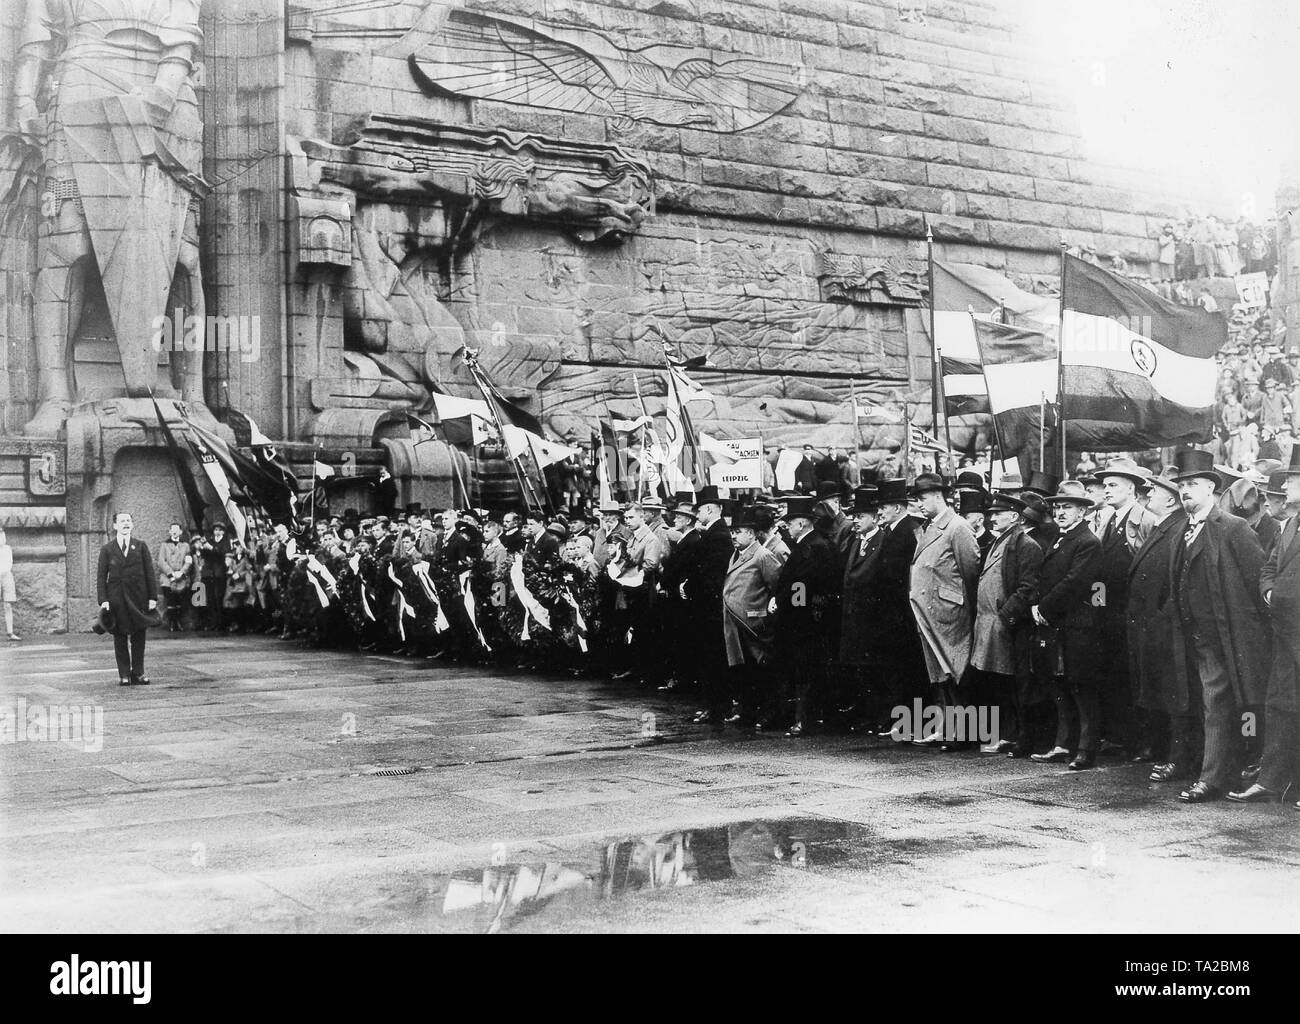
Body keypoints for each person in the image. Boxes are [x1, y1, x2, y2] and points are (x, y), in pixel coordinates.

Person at [1168, 449, 1271, 803]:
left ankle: (1212, 779)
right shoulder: (1182, 529)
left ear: (1211, 489)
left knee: (1225, 705)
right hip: (1193, 637)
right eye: (1182, 485)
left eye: (1193, 484)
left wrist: (1253, 637)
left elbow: (1258, 584)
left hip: (1229, 637)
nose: (1185, 491)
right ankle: (1222, 771)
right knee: (1212, 705)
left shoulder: (1233, 528)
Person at [1232, 448, 1300, 808]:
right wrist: (1270, 590)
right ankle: (1270, 781)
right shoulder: (1289, 525)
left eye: (1291, 480)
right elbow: (1269, 568)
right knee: (1278, 705)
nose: (1286, 487)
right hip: (1284, 632)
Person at [1029, 481, 1104, 770]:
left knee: (1082, 687)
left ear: (1083, 511)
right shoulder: (1060, 539)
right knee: (1061, 684)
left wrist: (1044, 607)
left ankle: (1085, 749)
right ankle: (1063, 744)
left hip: (1078, 624)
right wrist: (1039, 606)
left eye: (1067, 507)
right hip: (1057, 623)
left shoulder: (1087, 542)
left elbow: (1075, 582)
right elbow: (1045, 577)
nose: (1060, 512)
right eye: (1058, 507)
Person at [908, 473, 980, 747]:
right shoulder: (929, 527)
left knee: (955, 670)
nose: (920, 504)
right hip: (929, 613)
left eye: (922, 498)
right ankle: (947, 728)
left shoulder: (957, 527)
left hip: (949, 614)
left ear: (939, 495)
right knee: (939, 674)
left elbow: (970, 571)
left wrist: (957, 603)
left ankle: (963, 732)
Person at [968, 491, 1042, 756]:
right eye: (991, 514)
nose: (992, 518)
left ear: (1014, 516)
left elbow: (1027, 588)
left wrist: (1006, 616)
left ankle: (1016, 736)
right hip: (990, 623)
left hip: (1006, 625)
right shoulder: (1002, 541)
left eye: (997, 514)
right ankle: (1006, 734)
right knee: (998, 682)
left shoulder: (1026, 545)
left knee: (1012, 683)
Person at [1128, 471, 1189, 780]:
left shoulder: (1177, 527)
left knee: (1174, 695)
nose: (1148, 494)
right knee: (1162, 694)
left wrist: (1161, 619)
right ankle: (1166, 753)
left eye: (1154, 490)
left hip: (1163, 628)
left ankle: (1176, 759)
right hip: (1151, 627)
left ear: (1170, 497)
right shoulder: (1163, 527)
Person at [772, 495, 835, 736]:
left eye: (791, 522)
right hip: (806, 617)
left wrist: (785, 604)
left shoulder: (813, 546)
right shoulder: (809, 544)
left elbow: (803, 584)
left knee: (806, 670)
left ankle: (804, 719)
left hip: (806, 619)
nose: (787, 526)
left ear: (803, 523)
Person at [721, 506, 782, 730]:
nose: (733, 535)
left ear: (752, 533)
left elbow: (777, 585)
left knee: (760, 672)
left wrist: (767, 613)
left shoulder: (763, 556)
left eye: (738, 531)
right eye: (732, 531)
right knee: (743, 671)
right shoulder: (737, 554)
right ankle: (747, 711)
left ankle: (767, 714)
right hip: (735, 623)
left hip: (753, 624)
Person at [96, 511, 158, 686]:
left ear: (132, 525)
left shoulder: (140, 546)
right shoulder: (107, 549)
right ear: (115, 525)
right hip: (117, 599)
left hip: (138, 597)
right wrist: (104, 599)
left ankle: (138, 673)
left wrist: (152, 597)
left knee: (139, 635)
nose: (126, 524)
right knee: (120, 635)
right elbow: (101, 576)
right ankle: (124, 674)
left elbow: (149, 573)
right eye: (122, 521)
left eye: (128, 521)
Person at [156, 522, 193, 632]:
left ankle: (179, 622)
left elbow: (188, 561)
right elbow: (161, 561)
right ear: (170, 531)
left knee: (180, 602)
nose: (175, 531)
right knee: (171, 601)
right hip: (168, 579)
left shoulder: (185, 545)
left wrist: (182, 572)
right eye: (173, 529)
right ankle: (172, 622)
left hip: (181, 578)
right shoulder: (164, 545)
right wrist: (171, 573)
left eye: (177, 529)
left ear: (181, 532)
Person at [0, 527, 18, 641]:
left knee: (8, 604)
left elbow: (9, 563)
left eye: (2, 534)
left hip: (7, 575)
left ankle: (10, 632)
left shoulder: (7, 549)